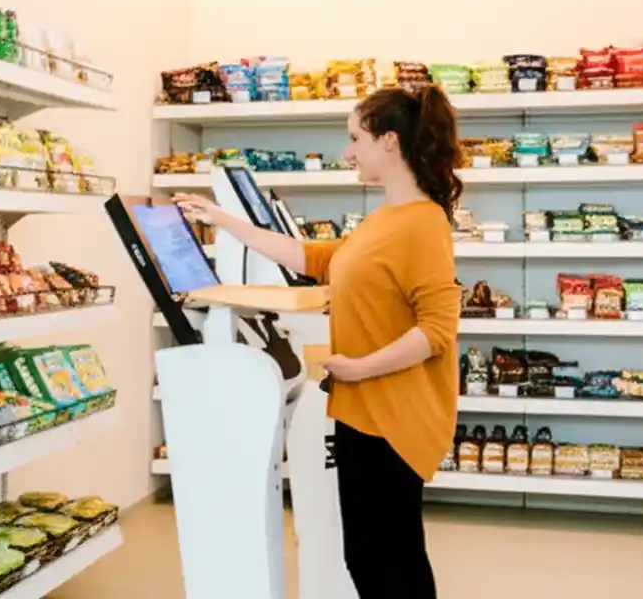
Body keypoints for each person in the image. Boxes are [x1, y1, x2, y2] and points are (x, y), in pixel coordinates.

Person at [175, 85, 462, 598]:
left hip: (392, 417)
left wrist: (361, 367)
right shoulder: (385, 218)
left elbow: (437, 330)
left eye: (355, 138)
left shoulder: (423, 223)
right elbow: (317, 259)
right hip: (362, 409)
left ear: (389, 142)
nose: (348, 152)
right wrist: (224, 221)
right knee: (371, 558)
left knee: (388, 563)